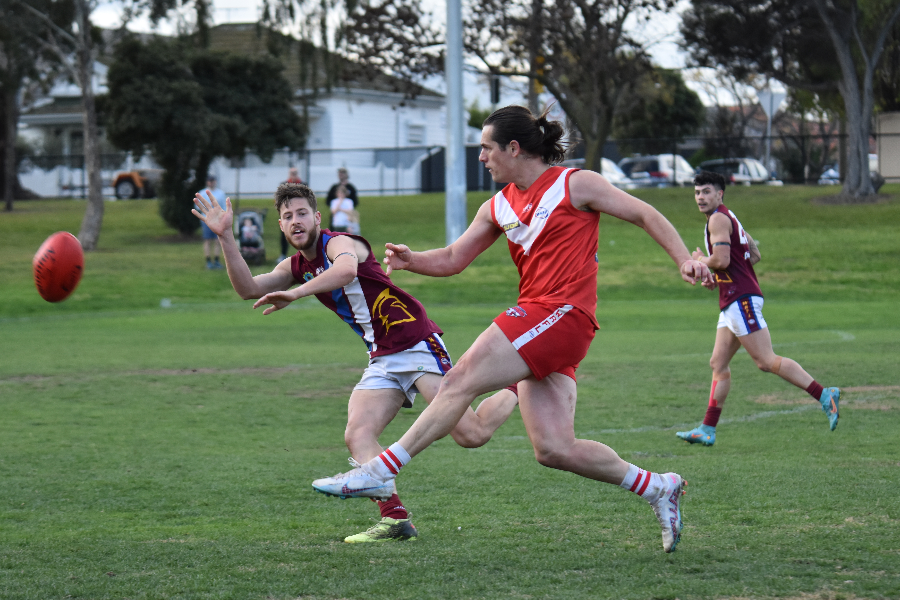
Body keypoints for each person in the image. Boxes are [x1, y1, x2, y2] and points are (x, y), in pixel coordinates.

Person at [310, 105, 714, 553]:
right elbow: (454, 258)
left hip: (561, 314)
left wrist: (684, 259)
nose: (482, 157)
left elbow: (645, 214)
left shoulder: (575, 184)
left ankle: (380, 470)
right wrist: (413, 260)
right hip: (541, 321)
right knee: (554, 448)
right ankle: (658, 486)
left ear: (514, 148)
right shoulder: (498, 205)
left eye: (487, 148)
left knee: (458, 380)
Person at [192, 181, 520, 543]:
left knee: (471, 434)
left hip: (414, 342)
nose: (296, 220)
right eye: (288, 216)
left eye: (302, 213)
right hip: (381, 356)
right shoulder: (296, 265)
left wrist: (296, 294)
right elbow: (248, 289)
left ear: (317, 217)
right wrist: (225, 236)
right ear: (282, 226)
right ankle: (395, 520)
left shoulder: (338, 243)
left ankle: (519, 382)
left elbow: (346, 271)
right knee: (358, 433)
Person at [675, 171, 840, 447]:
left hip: (741, 300)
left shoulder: (717, 219)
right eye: (697, 192)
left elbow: (722, 259)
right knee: (718, 363)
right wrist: (719, 277)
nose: (700, 197)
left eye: (706, 192)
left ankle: (824, 394)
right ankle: (707, 429)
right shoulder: (729, 217)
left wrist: (700, 261)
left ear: (720, 194)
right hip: (734, 299)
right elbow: (753, 254)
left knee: (765, 360)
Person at [198, 175, 227, 269]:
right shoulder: (202, 193)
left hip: (218, 219)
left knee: (217, 240)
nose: (211, 183)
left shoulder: (220, 193)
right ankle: (208, 260)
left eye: (213, 181)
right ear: (207, 182)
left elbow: (224, 206)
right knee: (207, 240)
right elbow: (198, 206)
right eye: (210, 181)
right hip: (206, 219)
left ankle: (217, 260)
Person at [278, 167, 305, 262]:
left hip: (300, 213)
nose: (293, 175)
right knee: (285, 233)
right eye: (292, 173)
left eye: (295, 173)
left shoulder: (303, 185)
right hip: (287, 212)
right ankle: (283, 254)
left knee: (301, 233)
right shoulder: (284, 185)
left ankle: (304, 254)